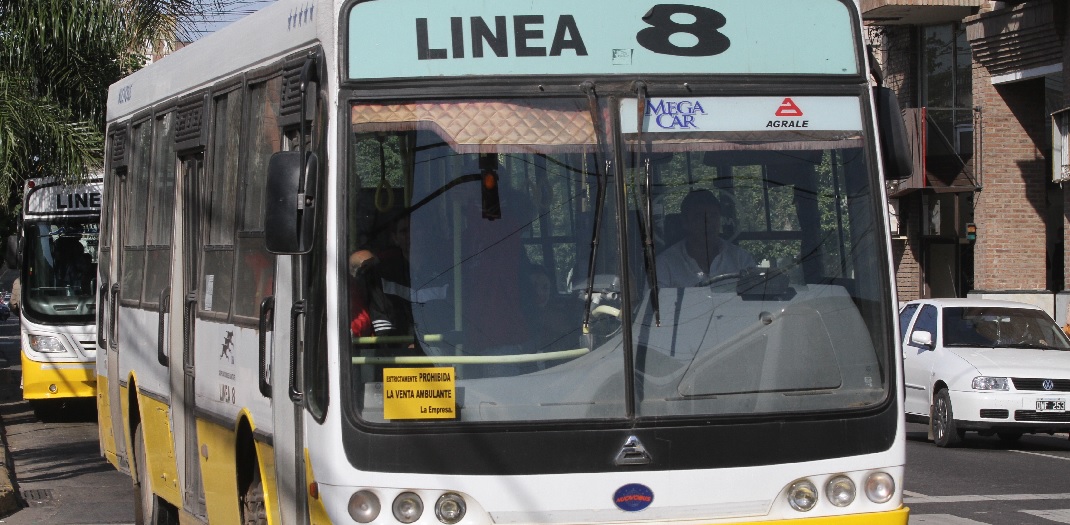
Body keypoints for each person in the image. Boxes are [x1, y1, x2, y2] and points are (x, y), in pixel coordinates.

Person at [655, 189, 755, 288]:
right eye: (699, 216)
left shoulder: (740, 259)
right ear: (685, 222)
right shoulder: (664, 265)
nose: (708, 222)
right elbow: (655, 302)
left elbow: (754, 297)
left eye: (713, 216)